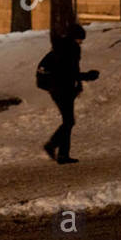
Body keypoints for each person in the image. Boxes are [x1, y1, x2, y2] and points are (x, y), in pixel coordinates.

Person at [37, 23, 99, 164]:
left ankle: (63, 154)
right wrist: (87, 76)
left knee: (68, 121)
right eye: (80, 39)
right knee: (69, 121)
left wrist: (78, 83)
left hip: (59, 88)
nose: (81, 42)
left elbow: (69, 71)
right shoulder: (70, 49)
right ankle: (52, 146)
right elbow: (68, 72)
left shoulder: (62, 47)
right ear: (75, 38)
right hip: (61, 89)